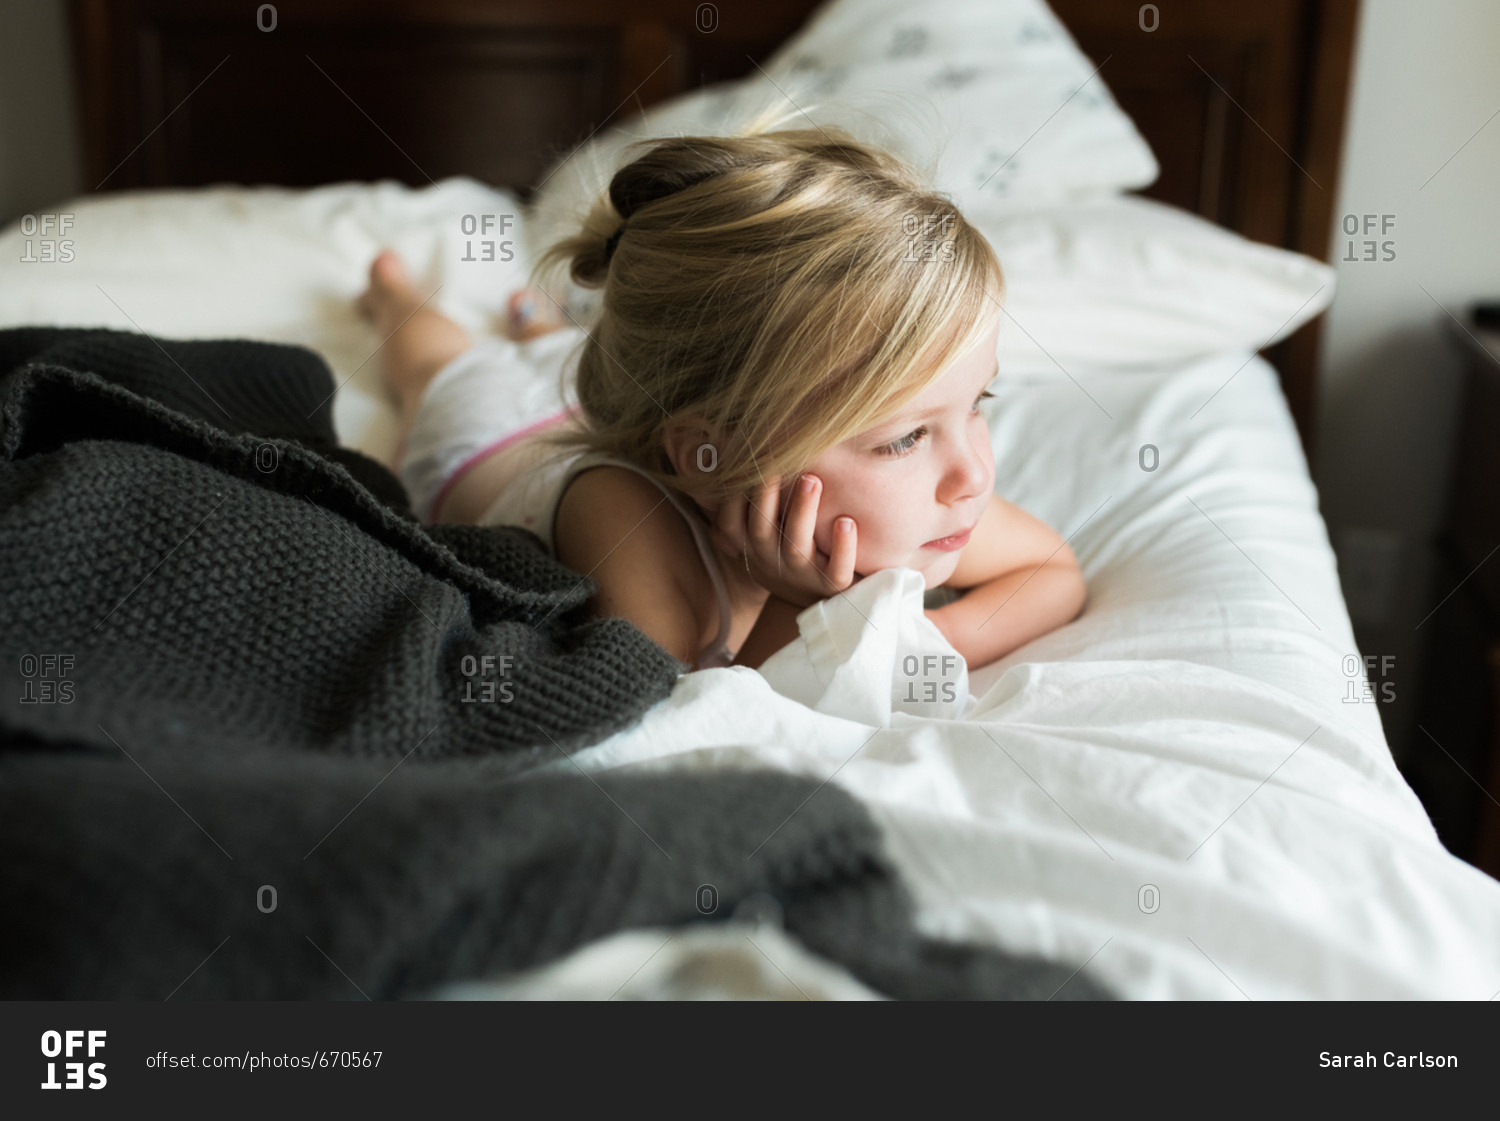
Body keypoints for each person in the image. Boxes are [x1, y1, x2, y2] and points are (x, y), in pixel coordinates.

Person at [358, 127, 1085, 671]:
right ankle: (394, 296)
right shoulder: (621, 515)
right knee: (438, 362)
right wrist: (800, 610)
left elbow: (1053, 572)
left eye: (978, 402)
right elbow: (693, 719)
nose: (975, 476)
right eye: (905, 438)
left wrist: (918, 644)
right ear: (715, 458)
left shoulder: (930, 510)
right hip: (491, 436)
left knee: (551, 347)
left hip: (623, 408)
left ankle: (541, 323)